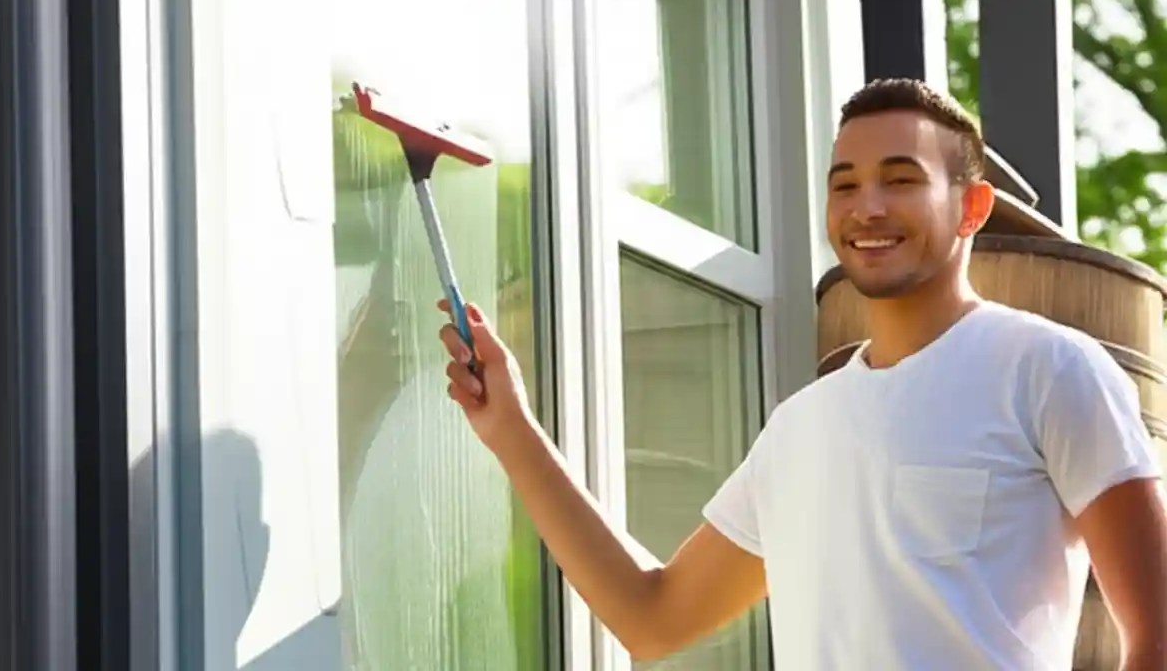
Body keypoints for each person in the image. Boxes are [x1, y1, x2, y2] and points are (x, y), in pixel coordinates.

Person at [436, 78, 1167, 669]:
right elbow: (650, 617)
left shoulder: (1049, 370)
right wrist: (512, 430)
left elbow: (1157, 638)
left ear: (971, 207)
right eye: (844, 185)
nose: (867, 208)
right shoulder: (799, 428)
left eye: (900, 179)